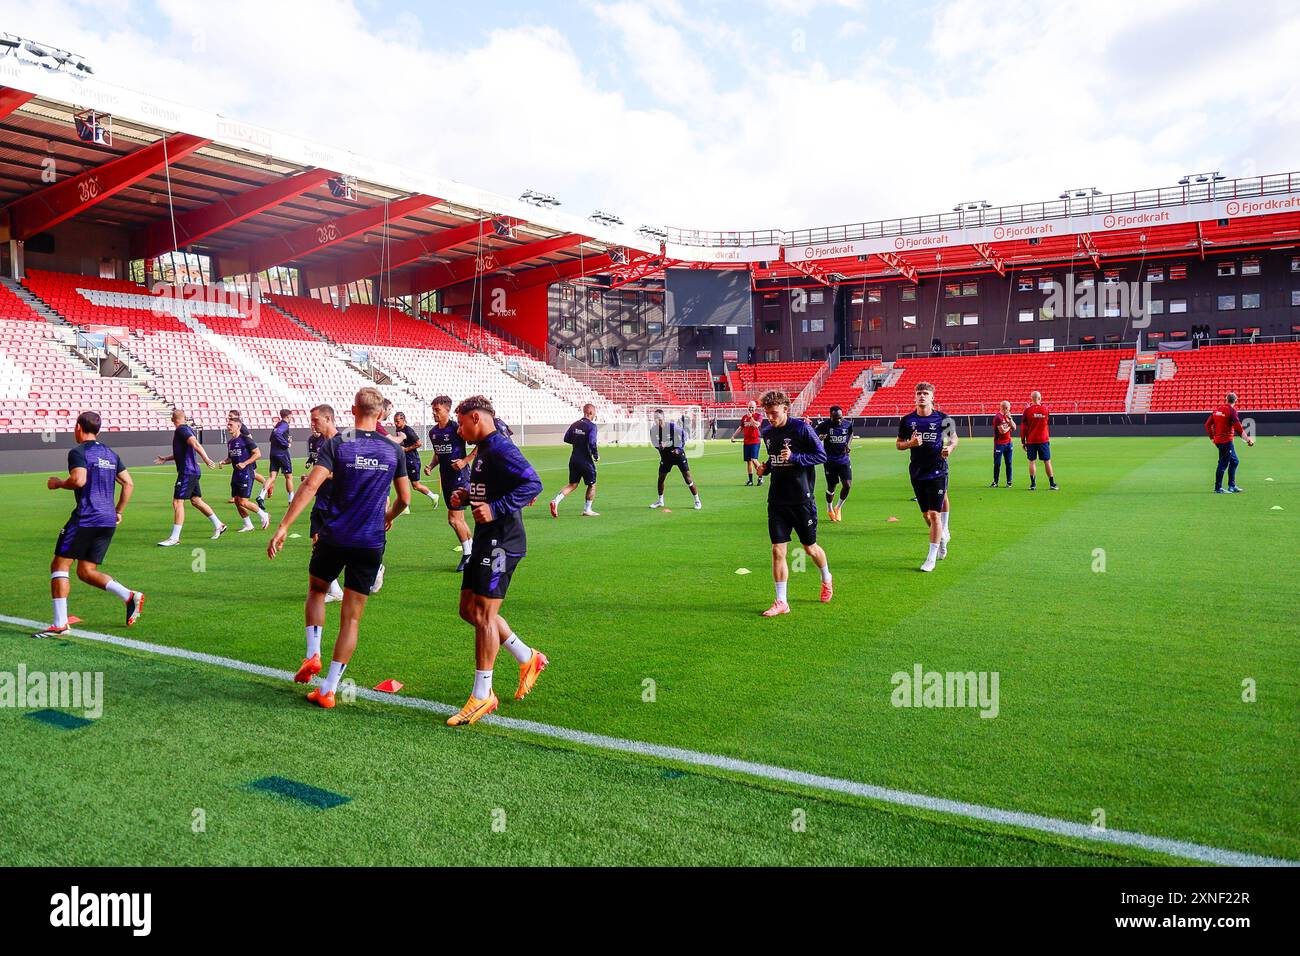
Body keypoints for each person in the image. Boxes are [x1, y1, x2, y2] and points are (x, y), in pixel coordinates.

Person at [268, 387, 410, 708]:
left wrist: (284, 526)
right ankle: (329, 689)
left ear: (352, 409)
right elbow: (405, 499)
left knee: (317, 590)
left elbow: (310, 485)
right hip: (371, 541)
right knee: (352, 619)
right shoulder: (393, 450)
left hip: (334, 536)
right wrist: (387, 517)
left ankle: (312, 652)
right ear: (381, 413)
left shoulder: (339, 443)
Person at [447, 395, 546, 727]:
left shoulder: (500, 447)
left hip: (503, 545)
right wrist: (469, 496)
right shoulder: (485, 450)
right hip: (486, 541)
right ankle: (526, 656)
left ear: (476, 418)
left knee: (485, 616)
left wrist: (496, 508)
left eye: (461, 423)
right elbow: (491, 488)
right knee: (468, 610)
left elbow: (533, 483)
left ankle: (482, 695)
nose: (459, 431)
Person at [34, 411, 144, 637]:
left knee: (59, 566)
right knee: (85, 571)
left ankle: (60, 624)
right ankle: (129, 596)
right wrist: (118, 511)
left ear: (77, 427)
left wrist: (57, 484)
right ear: (99, 430)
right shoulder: (111, 454)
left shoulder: (78, 452)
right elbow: (129, 484)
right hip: (106, 520)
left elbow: (78, 480)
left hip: (86, 518)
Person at [755, 390, 832, 616]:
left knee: (810, 548)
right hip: (777, 500)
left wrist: (796, 458)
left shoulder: (802, 428)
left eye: (774, 413)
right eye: (767, 413)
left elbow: (821, 456)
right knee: (778, 551)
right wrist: (766, 468)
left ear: (786, 409)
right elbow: (775, 458)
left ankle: (826, 577)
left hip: (801, 500)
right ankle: (782, 602)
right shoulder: (767, 431)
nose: (770, 418)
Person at [896, 382, 957, 573]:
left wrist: (950, 447)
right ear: (915, 397)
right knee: (926, 515)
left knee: (934, 514)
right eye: (919, 393)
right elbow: (898, 444)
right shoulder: (907, 420)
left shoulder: (943, 418)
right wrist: (911, 443)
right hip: (917, 472)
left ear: (932, 397)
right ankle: (941, 538)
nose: (922, 396)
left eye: (925, 393)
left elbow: (954, 438)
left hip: (938, 470)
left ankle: (931, 557)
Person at [154, 408, 224, 545]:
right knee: (196, 501)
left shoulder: (181, 430)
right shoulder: (185, 430)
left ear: (172, 419)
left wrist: (206, 458)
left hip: (187, 471)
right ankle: (219, 525)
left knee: (177, 502)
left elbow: (195, 443)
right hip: (192, 471)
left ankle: (174, 538)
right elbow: (182, 452)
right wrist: (165, 458)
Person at [424, 396, 475, 572]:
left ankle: (468, 555)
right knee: (458, 519)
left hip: (460, 477)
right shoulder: (433, 433)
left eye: (437, 410)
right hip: (445, 477)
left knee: (453, 519)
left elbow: (480, 444)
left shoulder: (458, 428)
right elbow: (439, 453)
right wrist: (431, 465)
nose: (434, 413)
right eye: (433, 410)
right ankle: (473, 551)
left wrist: (465, 460)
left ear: (447, 410)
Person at [219, 418, 269, 531]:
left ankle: (264, 515)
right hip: (236, 474)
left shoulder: (246, 439)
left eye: (231, 425)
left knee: (243, 501)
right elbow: (231, 458)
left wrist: (245, 463)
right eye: (228, 425)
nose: (228, 427)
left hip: (246, 473)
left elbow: (258, 453)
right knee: (237, 501)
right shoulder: (230, 442)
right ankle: (248, 524)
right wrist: (224, 461)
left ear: (238, 426)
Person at [550, 404, 600, 517]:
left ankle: (555, 501)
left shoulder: (575, 424)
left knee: (572, 484)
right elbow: (592, 442)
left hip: (574, 459)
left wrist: (578, 441)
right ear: (591, 412)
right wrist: (596, 455)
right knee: (592, 484)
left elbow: (566, 438)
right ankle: (587, 509)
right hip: (586, 460)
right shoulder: (592, 426)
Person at [649, 408, 701, 510]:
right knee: (661, 478)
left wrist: (679, 448)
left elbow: (684, 435)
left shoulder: (671, 426)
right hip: (666, 456)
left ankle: (697, 500)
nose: (657, 420)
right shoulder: (653, 430)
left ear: (663, 418)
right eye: (655, 418)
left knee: (687, 478)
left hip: (677, 454)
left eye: (658, 418)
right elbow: (655, 443)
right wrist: (659, 447)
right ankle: (660, 501)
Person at [1206, 392, 1254, 493]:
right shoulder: (1232, 411)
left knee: (1234, 461)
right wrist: (1248, 440)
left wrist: (1212, 438)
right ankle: (1218, 488)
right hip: (1226, 441)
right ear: (1236, 400)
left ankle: (1232, 486)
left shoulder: (1217, 410)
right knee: (1223, 464)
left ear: (1226, 399)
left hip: (1219, 441)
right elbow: (1239, 429)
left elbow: (1207, 425)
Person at [393, 411, 440, 508]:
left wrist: (406, 449)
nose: (395, 423)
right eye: (394, 421)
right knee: (403, 482)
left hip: (412, 461)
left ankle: (434, 496)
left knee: (415, 485)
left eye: (397, 421)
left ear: (403, 420)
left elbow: (419, 443)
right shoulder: (398, 430)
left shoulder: (409, 431)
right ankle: (405, 507)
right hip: (404, 460)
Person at [815, 405, 854, 521]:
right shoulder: (824, 425)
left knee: (847, 485)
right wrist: (820, 438)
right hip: (830, 461)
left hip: (844, 459)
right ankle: (829, 508)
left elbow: (851, 433)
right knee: (831, 488)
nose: (838, 420)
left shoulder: (847, 424)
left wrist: (848, 444)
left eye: (840, 417)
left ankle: (838, 507)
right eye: (835, 418)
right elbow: (813, 436)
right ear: (830, 416)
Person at [226, 410, 271, 505]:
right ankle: (266, 485)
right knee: (251, 474)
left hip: (247, 455)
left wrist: (246, 450)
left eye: (231, 416)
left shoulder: (242, 428)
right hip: (242, 456)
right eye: (229, 416)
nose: (229, 417)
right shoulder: (232, 430)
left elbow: (250, 439)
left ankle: (266, 484)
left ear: (237, 417)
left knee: (251, 474)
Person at [1020, 391, 1057, 491]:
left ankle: (1033, 485)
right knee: (1047, 461)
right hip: (1043, 439)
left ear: (1031, 398)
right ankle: (1052, 484)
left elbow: (1023, 427)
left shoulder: (1027, 411)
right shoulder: (1045, 409)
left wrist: (1023, 441)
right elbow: (1046, 422)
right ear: (1040, 398)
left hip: (1031, 440)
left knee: (1032, 462)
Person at [264, 409, 296, 506]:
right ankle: (291, 500)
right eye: (291, 416)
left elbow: (271, 437)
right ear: (288, 416)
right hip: (282, 454)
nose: (291, 418)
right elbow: (277, 434)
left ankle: (261, 496)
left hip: (273, 453)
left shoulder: (277, 425)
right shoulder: (284, 425)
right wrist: (286, 443)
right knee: (289, 477)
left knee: (272, 477)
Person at [730, 400, 764, 486]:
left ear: (755, 408)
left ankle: (760, 476)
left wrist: (751, 417)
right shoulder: (744, 417)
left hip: (755, 441)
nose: (751, 409)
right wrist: (733, 436)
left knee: (754, 460)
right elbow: (740, 428)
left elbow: (756, 425)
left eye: (752, 407)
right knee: (748, 461)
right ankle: (750, 480)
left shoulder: (758, 416)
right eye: (749, 407)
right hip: (747, 442)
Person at [991, 400, 1015, 488]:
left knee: (1009, 463)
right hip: (999, 444)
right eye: (1009, 408)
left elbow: (1015, 427)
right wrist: (1009, 426)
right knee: (997, 463)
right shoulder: (998, 417)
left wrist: (1010, 420)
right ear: (1005, 408)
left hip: (1008, 443)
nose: (1010, 410)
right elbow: (1002, 431)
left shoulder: (1008, 416)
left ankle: (1009, 482)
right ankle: (995, 482)